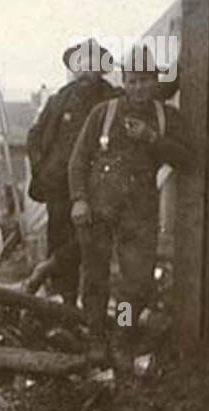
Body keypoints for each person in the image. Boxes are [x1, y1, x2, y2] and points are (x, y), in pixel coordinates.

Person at [68, 46, 192, 366]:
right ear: (124, 82)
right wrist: (79, 199)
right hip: (97, 211)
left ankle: (122, 337)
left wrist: (152, 138)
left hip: (139, 214)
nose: (138, 88)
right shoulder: (103, 113)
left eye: (145, 81)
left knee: (136, 283)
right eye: (132, 81)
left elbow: (188, 158)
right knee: (95, 280)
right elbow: (78, 160)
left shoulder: (165, 117)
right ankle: (96, 338)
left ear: (154, 82)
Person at [24, 38, 119, 301]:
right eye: (80, 63)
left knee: (93, 244)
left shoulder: (113, 100)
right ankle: (63, 307)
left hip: (95, 188)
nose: (85, 70)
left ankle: (89, 308)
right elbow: (34, 137)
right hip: (58, 185)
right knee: (59, 235)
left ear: (102, 68)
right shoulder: (59, 100)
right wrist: (41, 169)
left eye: (92, 64)